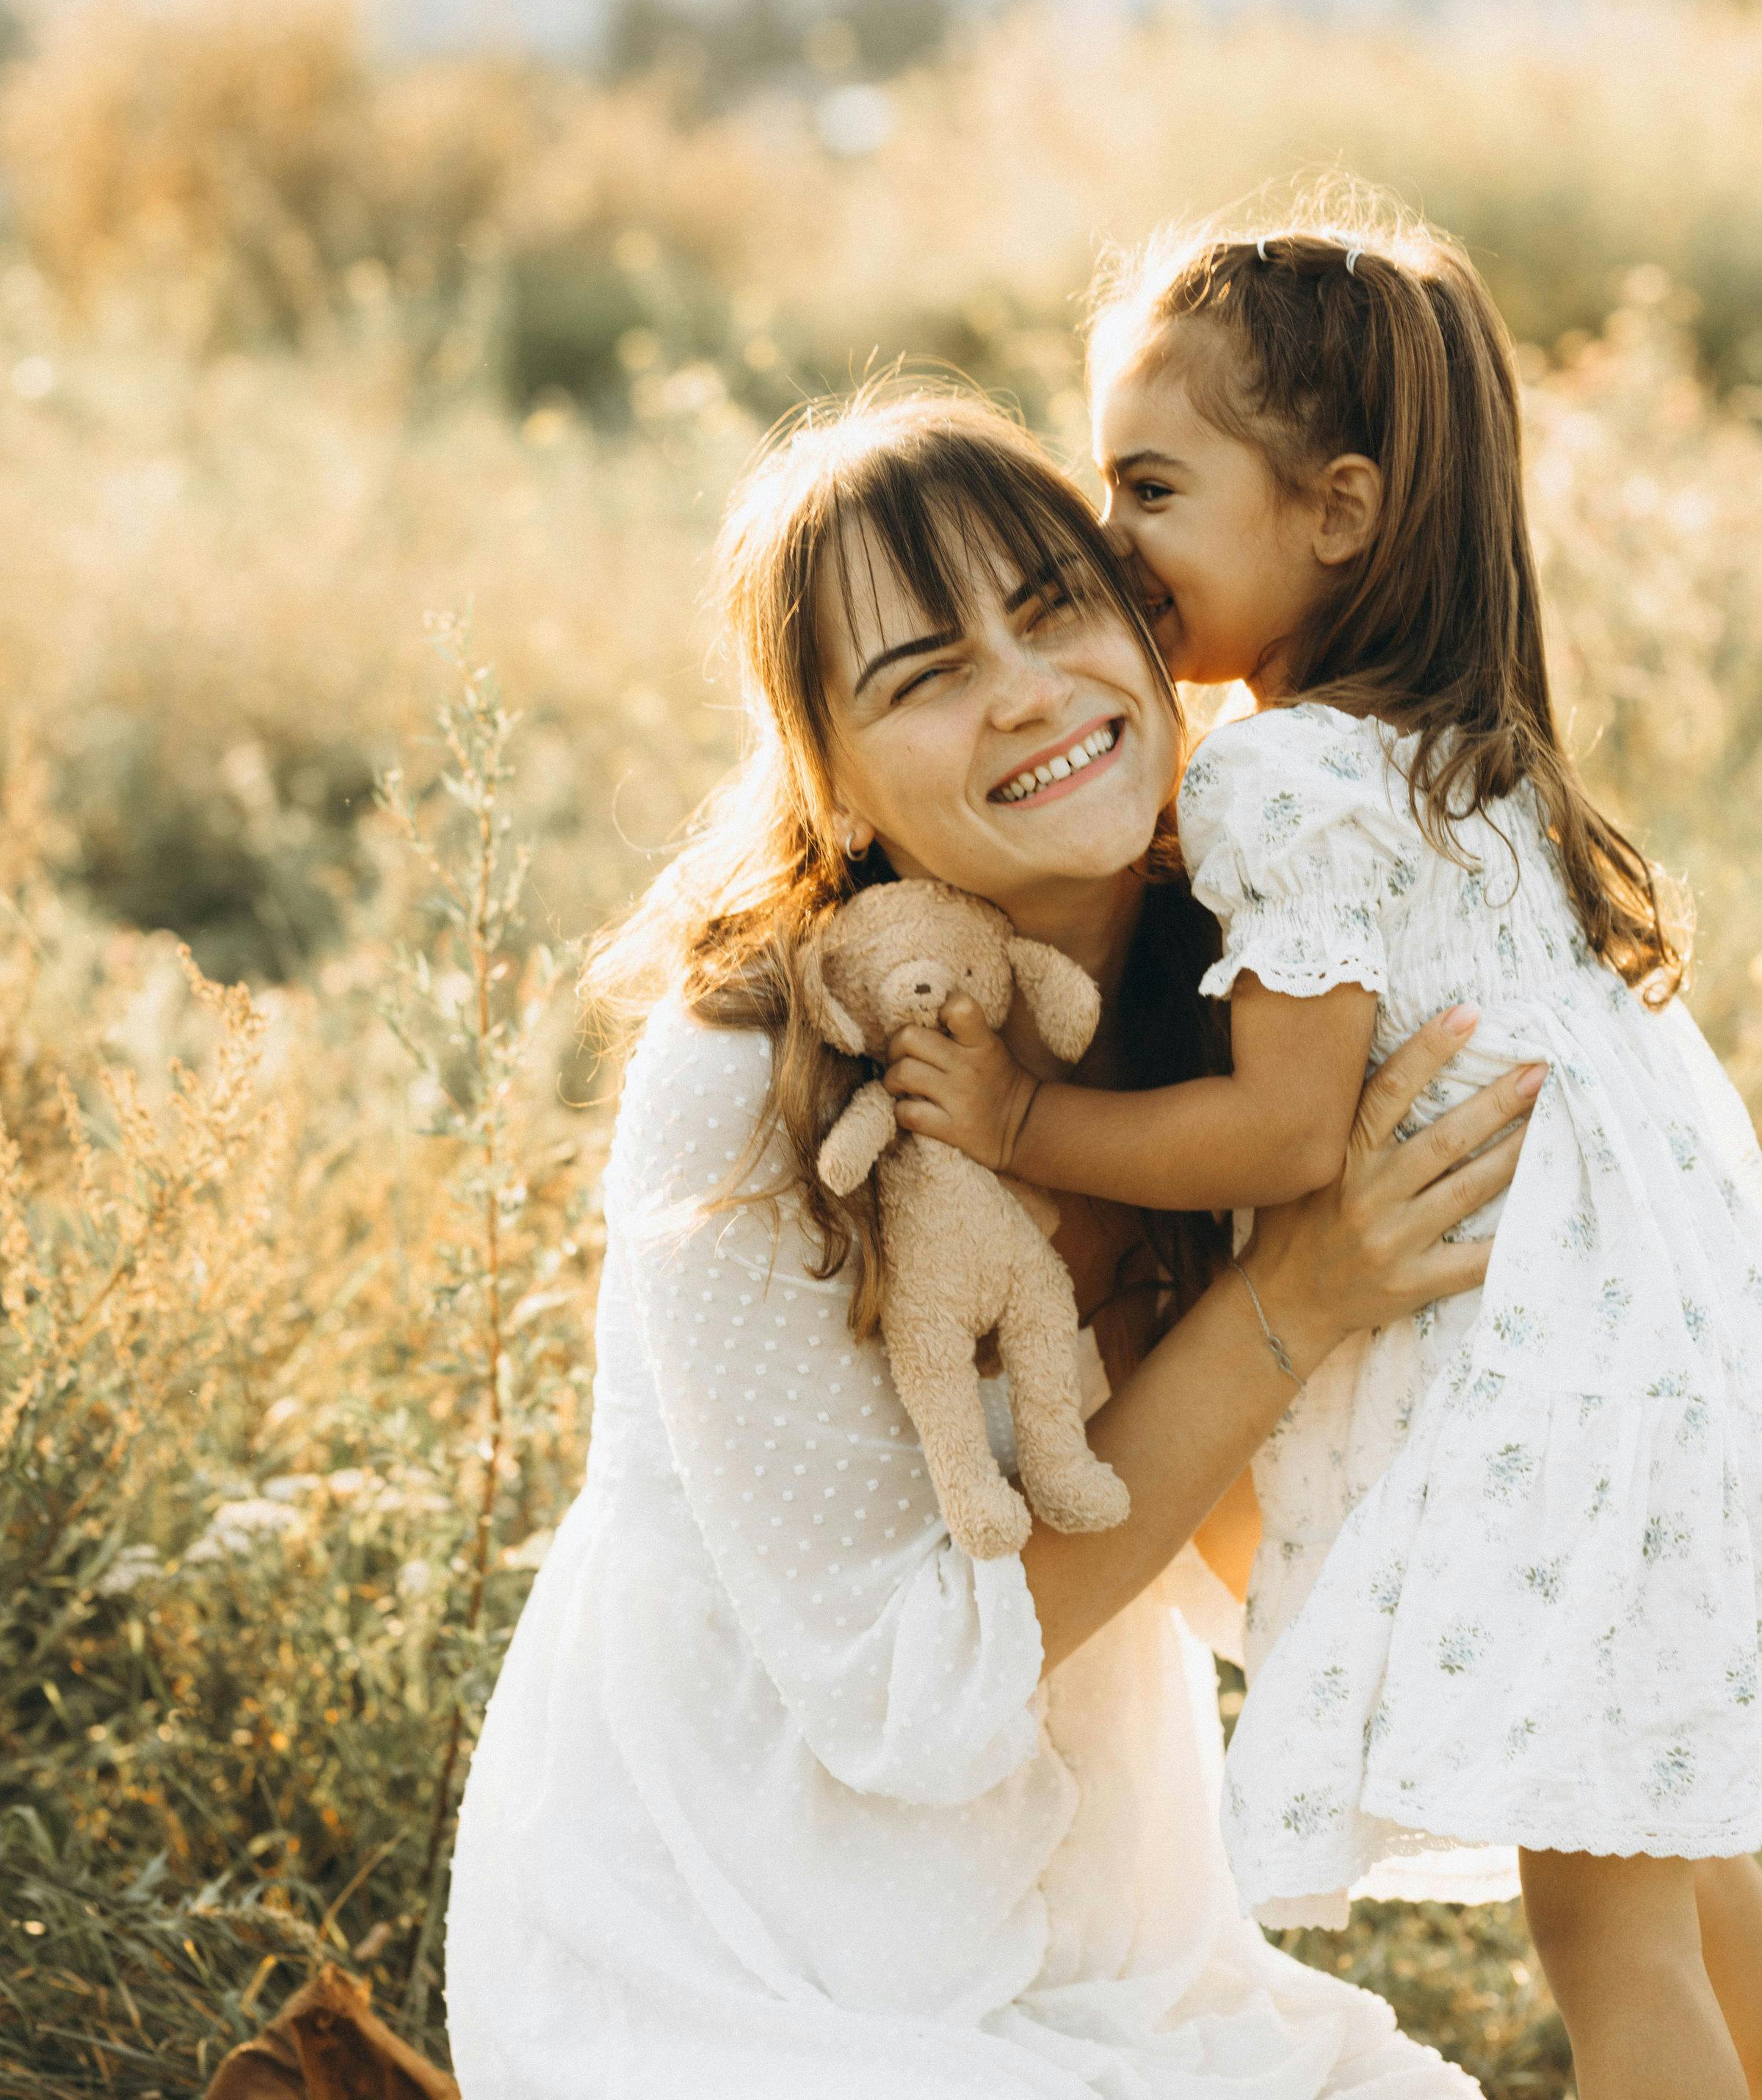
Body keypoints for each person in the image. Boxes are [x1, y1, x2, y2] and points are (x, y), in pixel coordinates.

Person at [444, 386, 1535, 2099]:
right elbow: (908, 1711)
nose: (1026, 690)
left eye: (1051, 612)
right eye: (924, 675)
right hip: (744, 1944)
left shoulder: (1251, 1002)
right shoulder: (746, 1092)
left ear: (1143, 631)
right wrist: (1295, 1296)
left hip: (1108, 1937)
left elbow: (1266, 1560)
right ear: (832, 780)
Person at [888, 222, 1762, 2100]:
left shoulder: (1281, 776)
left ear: (1340, 510)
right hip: (1670, 1377)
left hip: (1536, 1397)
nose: (1103, 540)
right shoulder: (1474, 751)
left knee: (1613, 1950)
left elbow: (1291, 1126)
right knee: (1692, 1872)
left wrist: (1032, 1123)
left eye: (1151, 488)